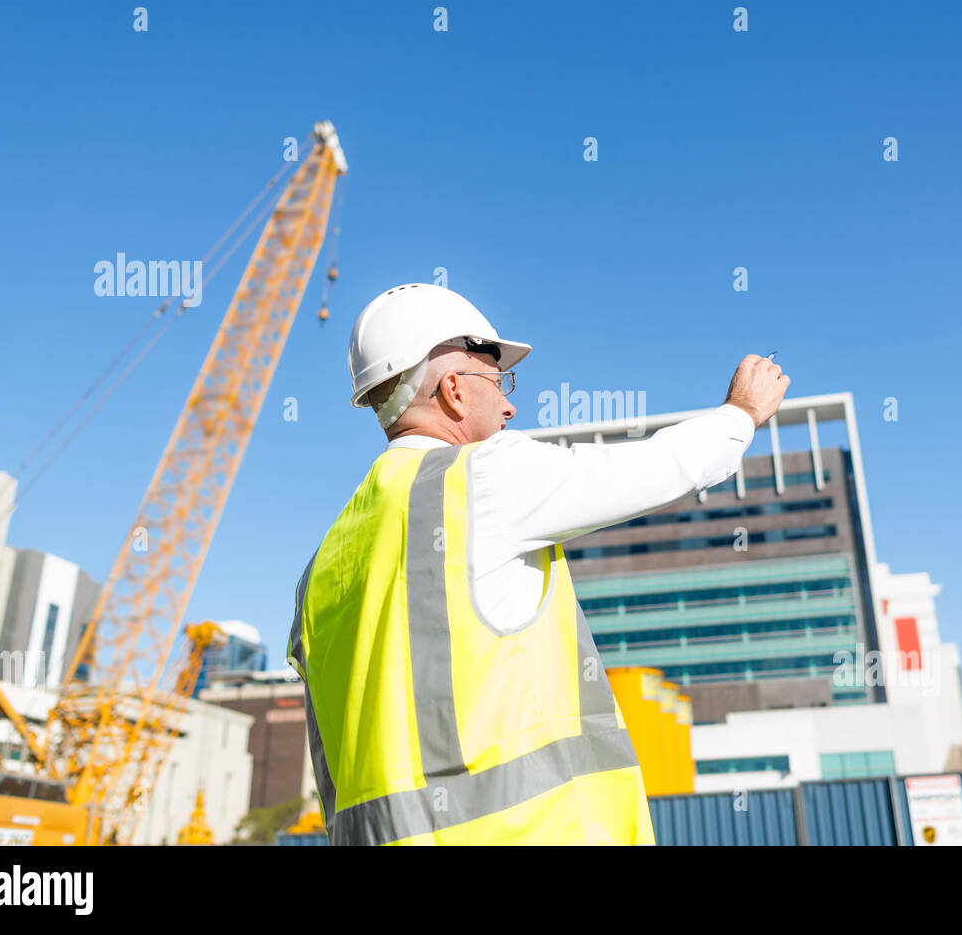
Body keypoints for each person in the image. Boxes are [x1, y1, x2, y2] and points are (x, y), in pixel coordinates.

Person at [287, 282, 789, 844]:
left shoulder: (322, 566)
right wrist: (740, 414)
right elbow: (654, 468)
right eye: (497, 382)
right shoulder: (480, 477)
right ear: (453, 390)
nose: (509, 404)